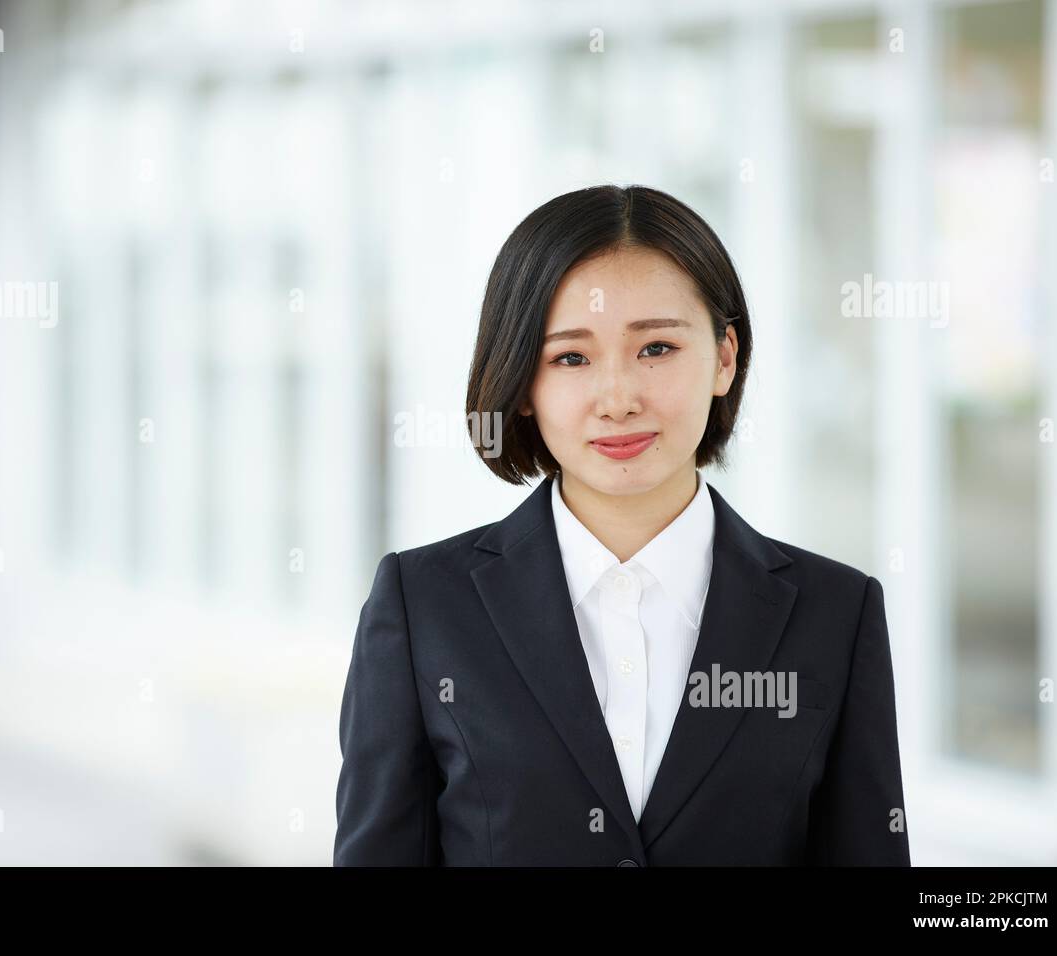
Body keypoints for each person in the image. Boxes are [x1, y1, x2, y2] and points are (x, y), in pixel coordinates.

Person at [334, 184, 910, 866]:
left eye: (657, 348)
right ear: (522, 385)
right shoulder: (423, 606)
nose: (618, 399)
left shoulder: (835, 615)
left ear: (725, 358)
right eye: (571, 358)